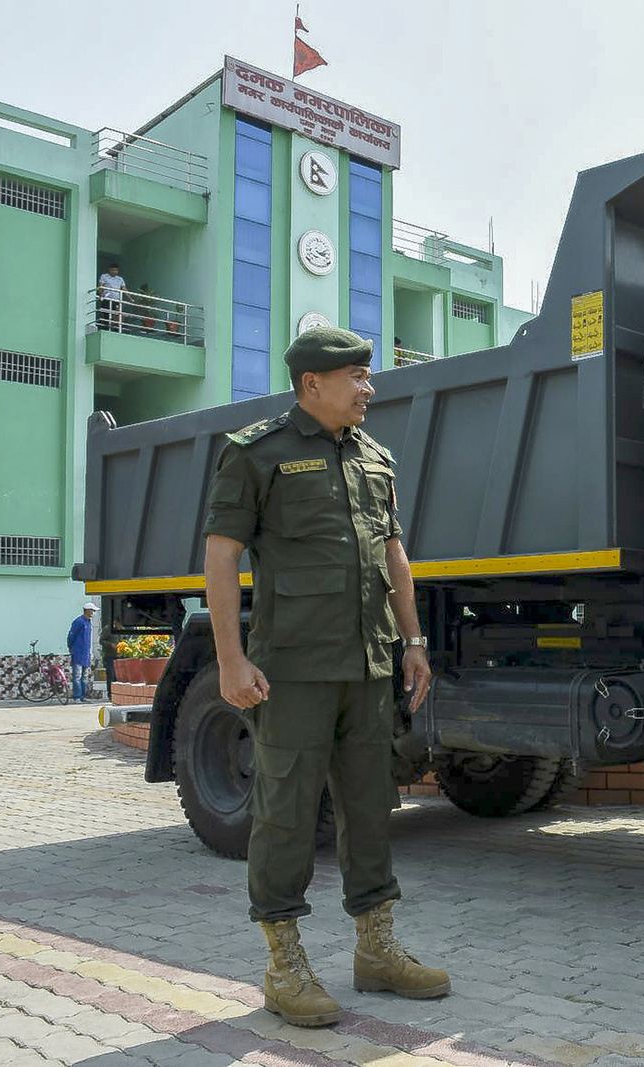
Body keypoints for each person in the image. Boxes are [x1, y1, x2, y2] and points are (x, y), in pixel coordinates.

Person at [202, 326, 446, 1028]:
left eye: (368, 376)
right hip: (293, 673)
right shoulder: (257, 454)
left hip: (367, 667)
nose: (369, 388)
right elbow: (222, 557)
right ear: (313, 383)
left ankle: (376, 951)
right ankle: (284, 964)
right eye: (356, 377)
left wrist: (414, 641)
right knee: (284, 816)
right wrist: (229, 657)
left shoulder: (376, 458)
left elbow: (395, 556)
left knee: (371, 811)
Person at [66, 603, 97, 701]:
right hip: (78, 653)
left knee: (84, 677)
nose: (93, 612)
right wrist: (72, 648)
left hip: (86, 654)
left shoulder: (88, 623)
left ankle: (83, 696)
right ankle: (77, 696)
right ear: (87, 610)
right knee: (77, 676)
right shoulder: (79, 622)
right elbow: (71, 636)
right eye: (92, 610)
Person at [98, 264, 126, 331]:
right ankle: (105, 328)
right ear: (109, 270)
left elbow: (124, 289)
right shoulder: (104, 276)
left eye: (116, 270)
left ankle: (115, 328)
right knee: (106, 314)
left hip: (116, 300)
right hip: (107, 299)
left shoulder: (120, 279)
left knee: (116, 314)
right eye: (113, 270)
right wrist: (100, 293)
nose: (115, 272)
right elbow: (101, 286)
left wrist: (131, 299)